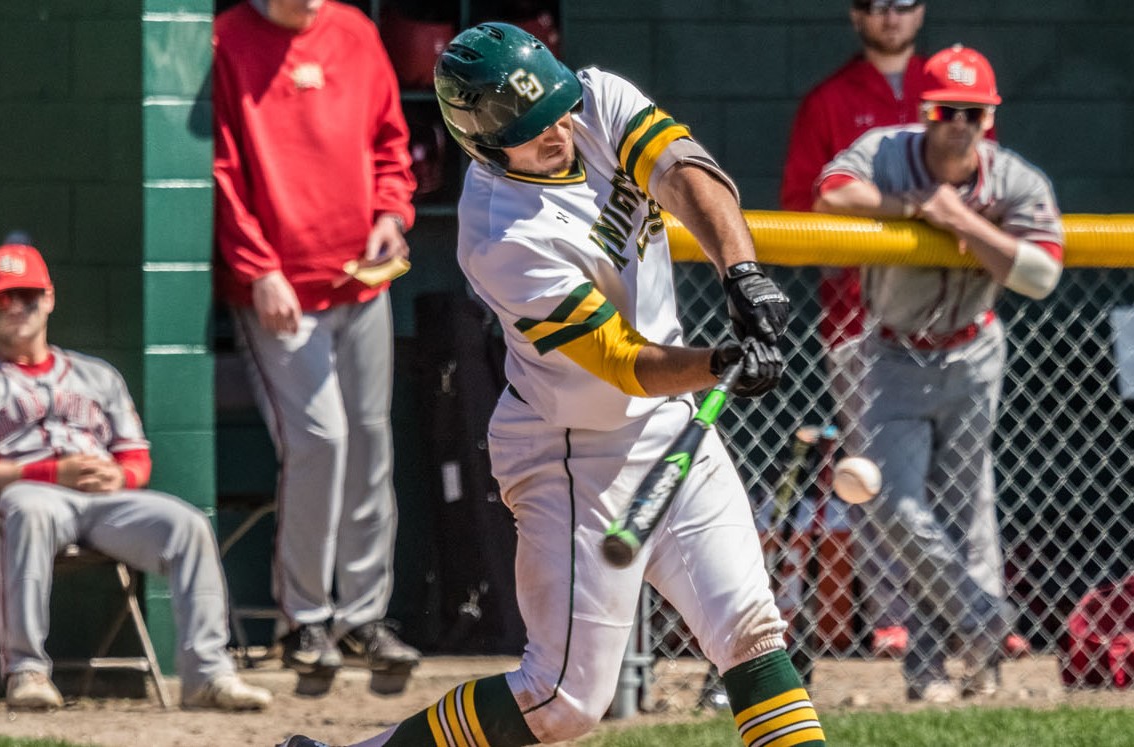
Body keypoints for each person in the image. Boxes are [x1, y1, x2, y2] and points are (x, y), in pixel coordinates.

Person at [281, 22, 826, 747]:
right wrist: (721, 363)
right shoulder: (502, 238)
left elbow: (686, 171)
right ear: (483, 144)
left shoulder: (596, 99)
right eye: (530, 129)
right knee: (561, 701)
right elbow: (625, 362)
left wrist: (743, 274)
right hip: (573, 454)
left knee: (751, 634)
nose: (557, 132)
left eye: (557, 111)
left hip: (668, 425)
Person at [811, 45, 1064, 702]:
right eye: (946, 110)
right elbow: (831, 194)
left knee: (959, 513)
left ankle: (934, 670)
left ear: (989, 119)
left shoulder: (1012, 177)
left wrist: (961, 222)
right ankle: (980, 617)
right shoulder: (888, 150)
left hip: (973, 352)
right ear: (924, 112)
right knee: (893, 505)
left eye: (971, 113)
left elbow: (1042, 274)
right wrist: (915, 206)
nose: (958, 124)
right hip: (894, 351)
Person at [212, 0, 422, 690]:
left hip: (362, 281)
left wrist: (391, 213)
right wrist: (257, 269)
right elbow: (219, 170)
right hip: (279, 292)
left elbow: (391, 140)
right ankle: (303, 619)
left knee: (369, 443)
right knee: (320, 441)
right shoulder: (227, 41)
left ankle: (363, 618)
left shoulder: (355, 32)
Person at [0, 241, 273, 712]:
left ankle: (208, 675)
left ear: (49, 298)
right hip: (26, 494)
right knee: (27, 511)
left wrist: (120, 477)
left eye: (26, 296)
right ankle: (26, 672)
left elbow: (135, 457)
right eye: (0, 299)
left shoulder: (97, 375)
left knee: (188, 524)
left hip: (104, 500)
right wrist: (52, 472)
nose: (15, 309)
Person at [778, 0, 927, 662]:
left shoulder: (948, 94)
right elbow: (798, 209)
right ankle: (893, 614)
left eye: (903, 3)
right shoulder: (829, 100)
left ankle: (960, 608)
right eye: (875, 4)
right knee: (871, 470)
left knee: (954, 467)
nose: (890, 16)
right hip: (857, 318)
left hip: (944, 315)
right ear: (855, 15)